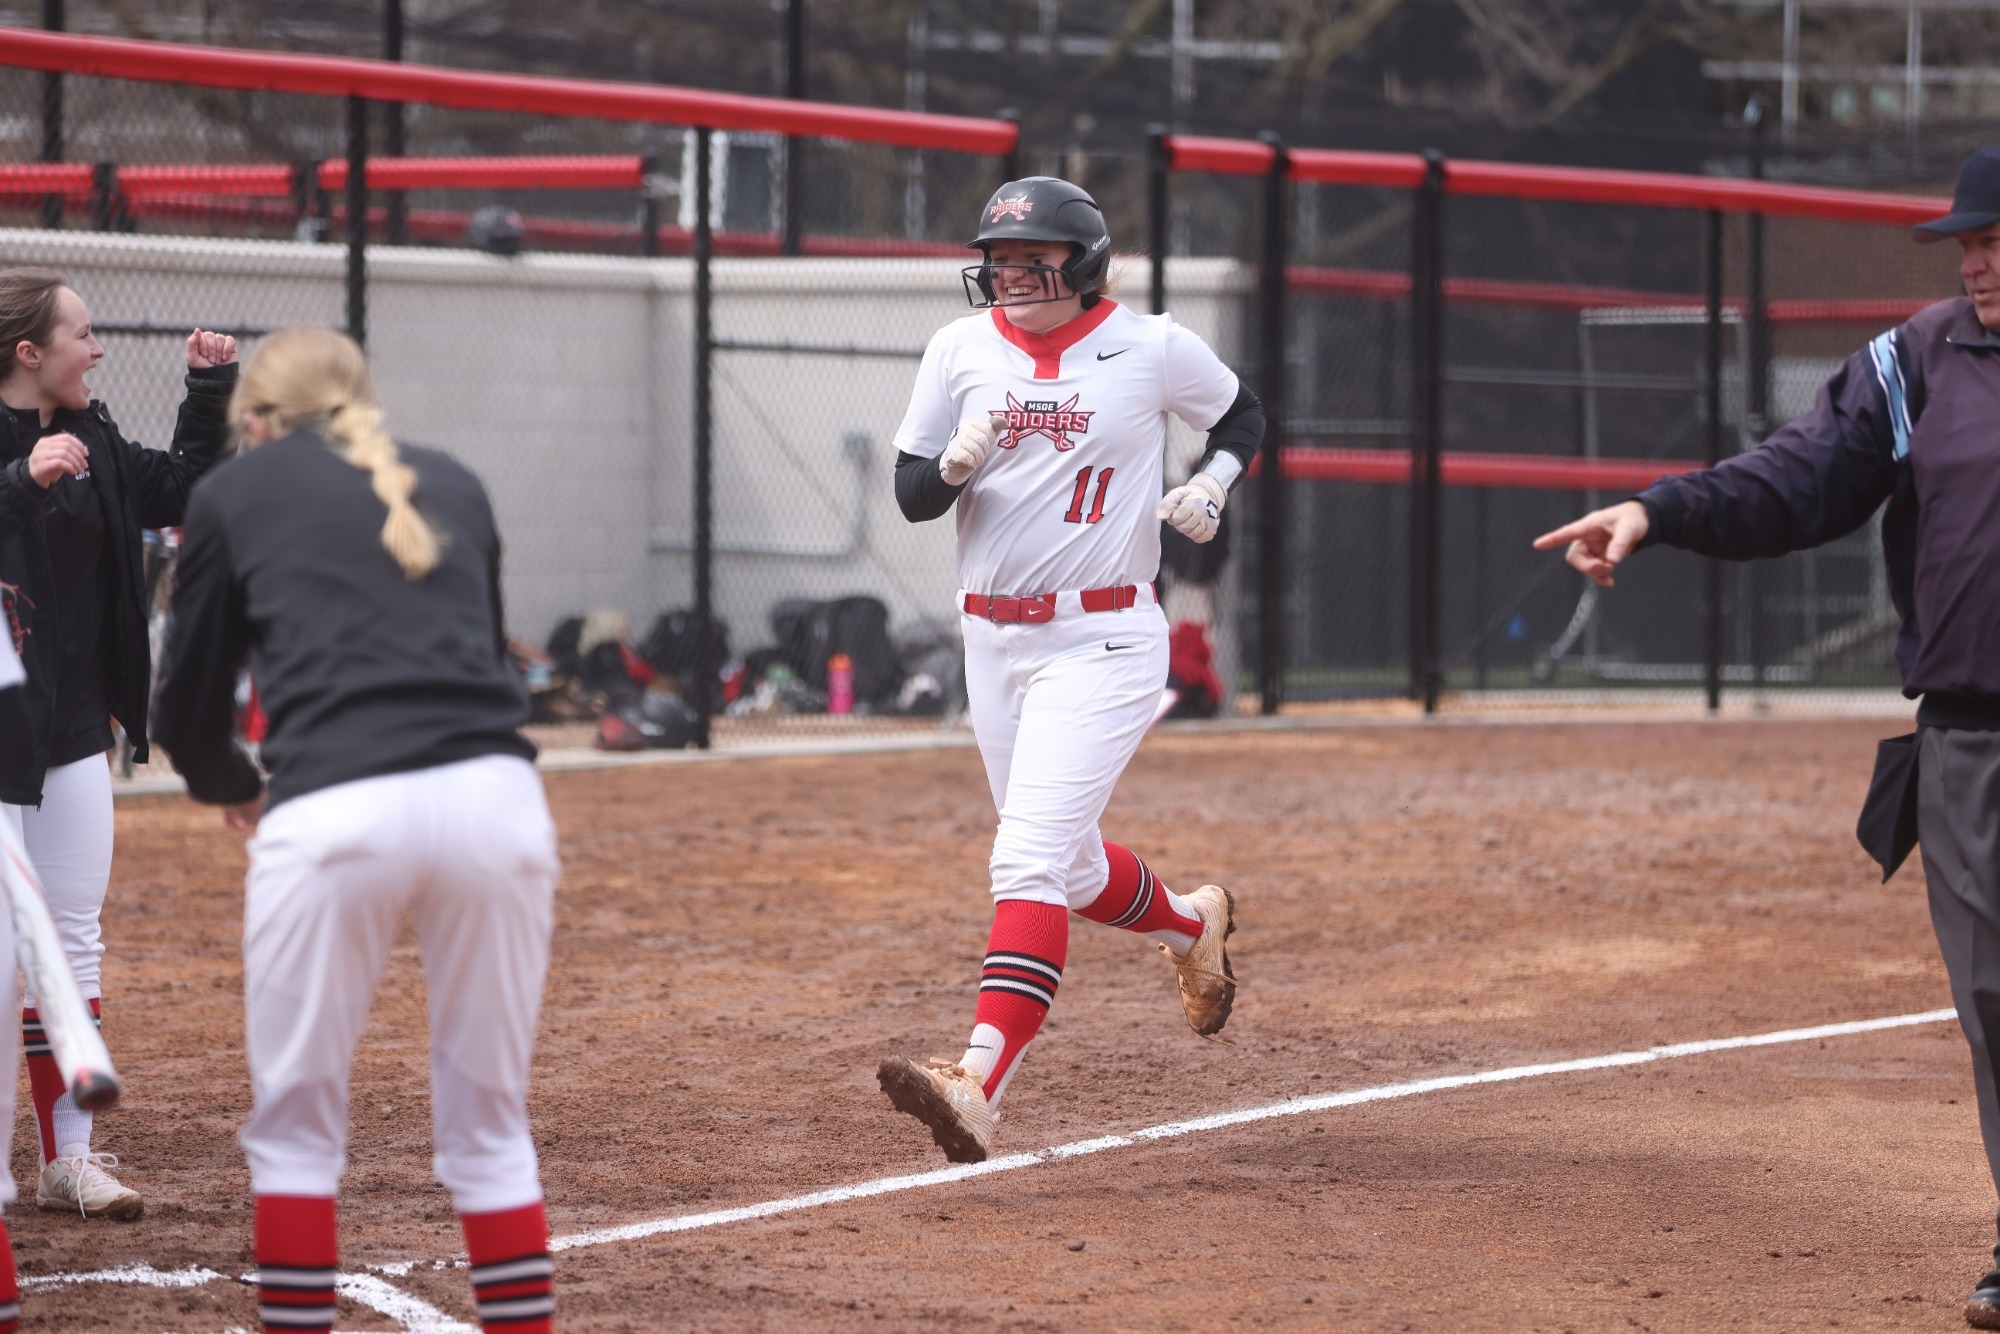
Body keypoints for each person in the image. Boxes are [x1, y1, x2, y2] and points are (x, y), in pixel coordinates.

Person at [1532, 146, 2000, 1330]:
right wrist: (1656, 507)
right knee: (1994, 995)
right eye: (1966, 240)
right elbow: (1797, 476)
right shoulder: (1917, 363)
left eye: (1997, 237)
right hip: (1968, 742)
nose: (1976, 257)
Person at [150, 328, 557, 1334]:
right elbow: (489, 660)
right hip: (496, 800)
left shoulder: (231, 492)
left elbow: (183, 706)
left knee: (294, 1133)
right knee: (491, 1129)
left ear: (256, 419)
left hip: (336, 804)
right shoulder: (453, 478)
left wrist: (231, 782)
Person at [876, 176, 1265, 1163]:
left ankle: (976, 1083)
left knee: (1024, 860)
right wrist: (955, 465)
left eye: (1031, 259)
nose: (1008, 276)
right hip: (991, 644)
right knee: (1074, 865)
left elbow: (1241, 416)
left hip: (1102, 639)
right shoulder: (956, 348)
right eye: (998, 261)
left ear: (1083, 264)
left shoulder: (1151, 346)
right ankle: (1191, 923)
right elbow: (912, 495)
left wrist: (1212, 486)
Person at [0, 266, 237, 1219]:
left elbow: (179, 488)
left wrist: (208, 391)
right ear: (29, 354)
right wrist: (20, 479)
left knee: (71, 941)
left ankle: (70, 1159)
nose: (96, 350)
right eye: (82, 335)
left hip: (69, 726)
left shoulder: (92, 436)